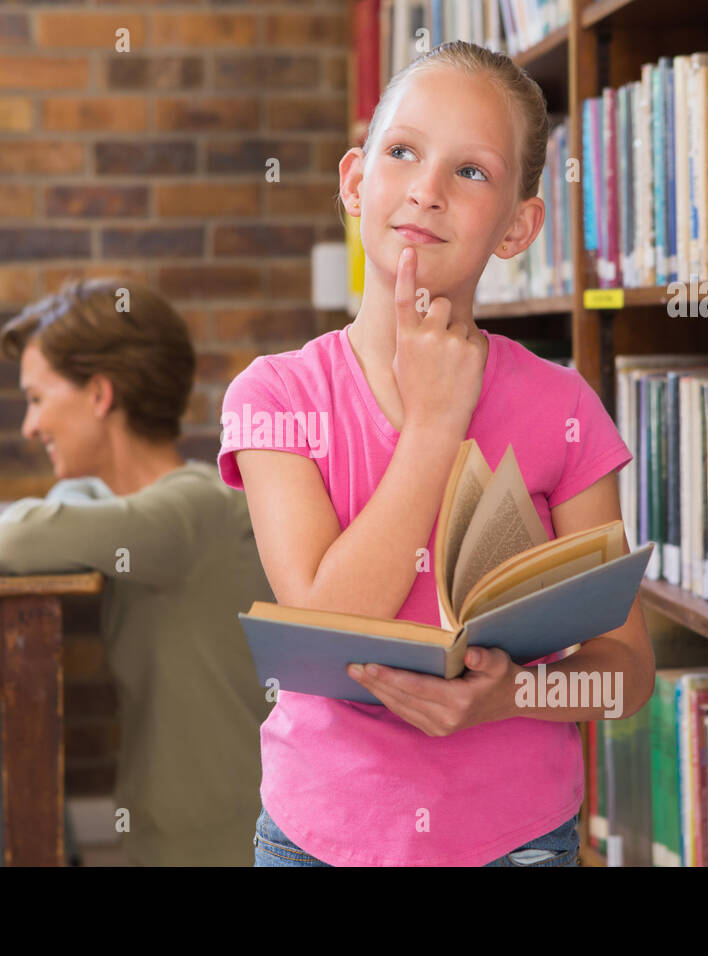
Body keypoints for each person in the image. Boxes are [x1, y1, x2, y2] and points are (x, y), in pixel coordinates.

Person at [219, 40, 655, 867]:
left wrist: (512, 696)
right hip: (320, 837)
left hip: (518, 841)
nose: (426, 188)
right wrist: (434, 426)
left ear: (518, 227)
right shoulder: (275, 396)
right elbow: (327, 623)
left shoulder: (562, 409)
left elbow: (626, 676)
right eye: (403, 151)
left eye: (473, 172)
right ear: (355, 180)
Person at [0, 277, 274, 866]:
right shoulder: (167, 510)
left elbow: (12, 538)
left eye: (38, 399)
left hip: (221, 850)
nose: (29, 426)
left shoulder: (185, 513)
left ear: (99, 396)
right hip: (177, 838)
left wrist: (75, 490)